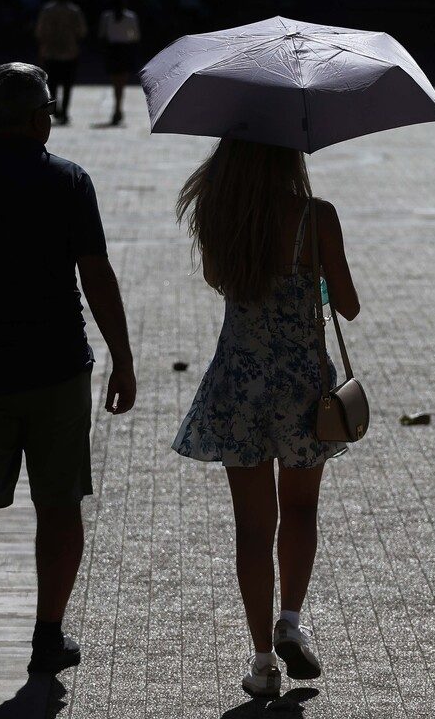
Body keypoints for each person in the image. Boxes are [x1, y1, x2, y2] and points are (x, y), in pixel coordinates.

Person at [0, 62, 135, 697]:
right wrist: (122, 356)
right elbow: (94, 273)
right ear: (39, 116)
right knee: (59, 503)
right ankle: (46, 635)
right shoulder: (67, 181)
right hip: (55, 368)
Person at [171, 138, 360, 698]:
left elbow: (217, 280)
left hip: (239, 381)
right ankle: (291, 621)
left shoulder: (220, 215)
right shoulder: (314, 217)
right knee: (300, 507)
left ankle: (259, 662)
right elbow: (347, 304)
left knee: (252, 528)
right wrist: (314, 275)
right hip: (303, 386)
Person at [35, 0, 87, 124]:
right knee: (67, 84)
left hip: (51, 52)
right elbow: (82, 31)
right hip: (70, 52)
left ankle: (55, 109)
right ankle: (64, 111)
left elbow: (40, 31)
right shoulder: (74, 11)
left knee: (52, 84)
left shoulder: (48, 10)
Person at [99, 0, 141, 126]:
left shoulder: (107, 17)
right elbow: (136, 36)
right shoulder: (130, 16)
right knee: (121, 82)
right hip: (124, 50)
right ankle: (118, 108)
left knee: (115, 82)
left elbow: (102, 34)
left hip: (113, 50)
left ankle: (117, 109)